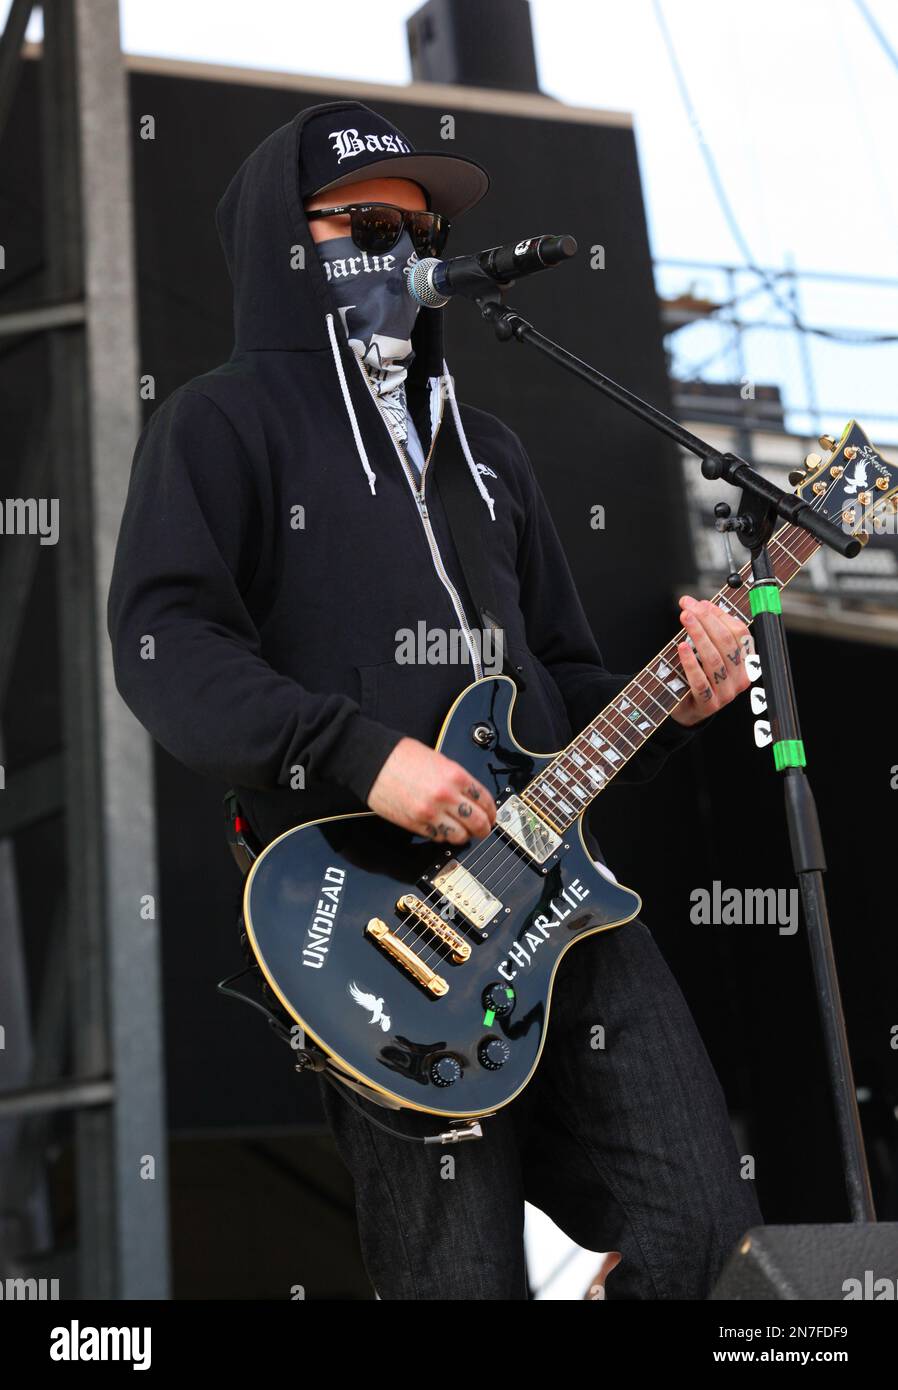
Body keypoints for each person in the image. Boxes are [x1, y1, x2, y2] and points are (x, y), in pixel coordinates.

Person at [107, 99, 763, 1299]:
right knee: (454, 1277)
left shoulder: (490, 451)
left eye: (420, 228)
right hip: (369, 913)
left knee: (707, 1230)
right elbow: (165, 641)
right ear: (286, 243)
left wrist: (668, 703)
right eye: (366, 222)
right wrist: (361, 754)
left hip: (560, 889)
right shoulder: (221, 422)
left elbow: (563, 683)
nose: (405, 249)